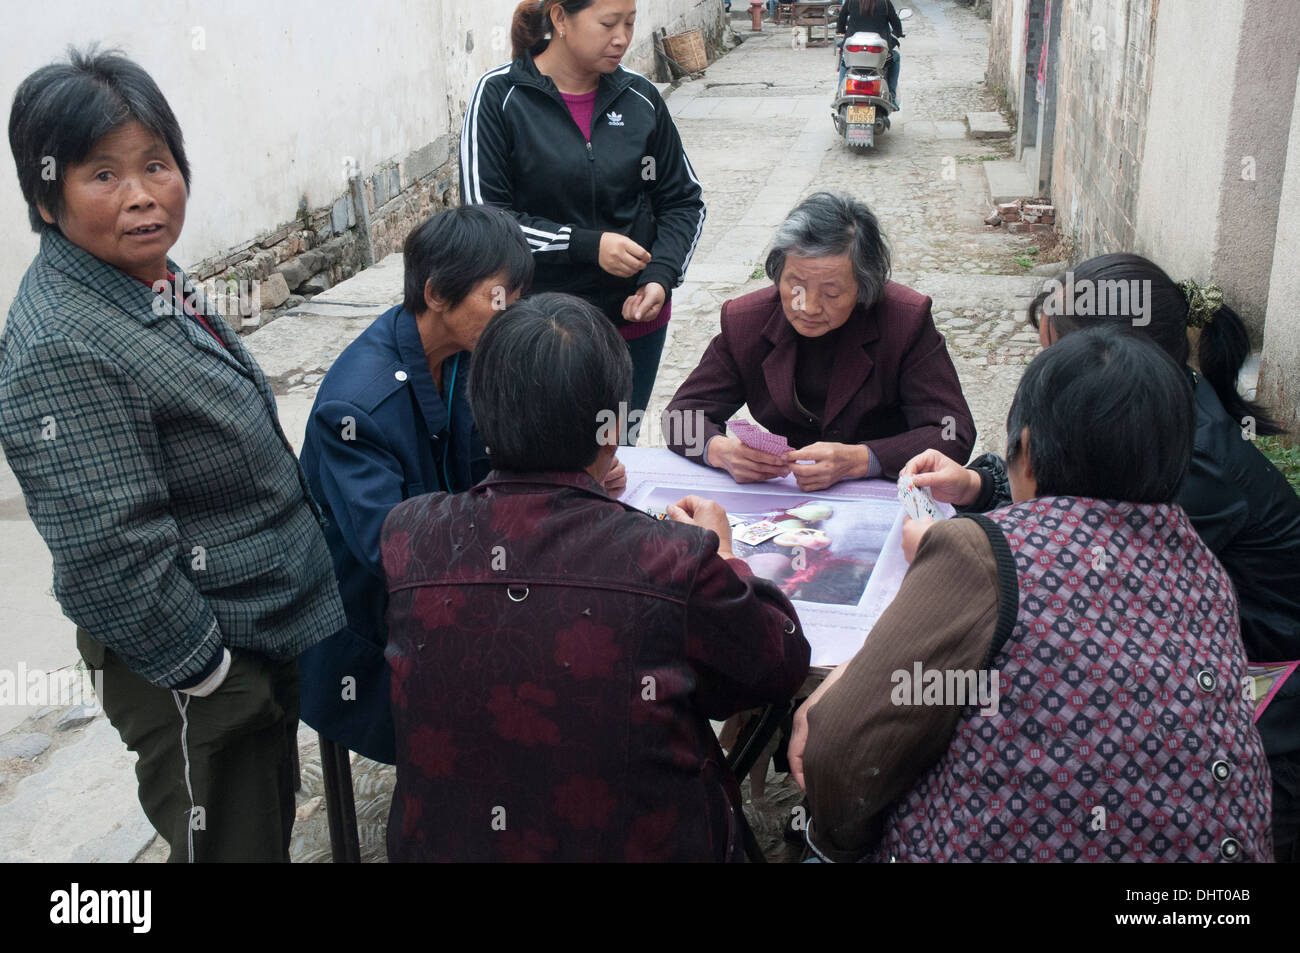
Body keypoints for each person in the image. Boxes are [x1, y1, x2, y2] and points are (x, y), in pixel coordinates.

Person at [0, 48, 346, 862]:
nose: (143, 195)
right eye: (104, 176)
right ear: (47, 200)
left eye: (156, 165)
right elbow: (107, 555)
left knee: (260, 821)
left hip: (252, 628)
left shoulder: (140, 273)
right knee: (228, 842)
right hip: (193, 668)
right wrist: (206, 672)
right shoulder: (64, 341)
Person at [792, 326, 1274, 862]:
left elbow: (839, 748)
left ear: (1023, 448)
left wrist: (840, 843)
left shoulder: (983, 552)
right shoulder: (1203, 567)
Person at [380, 292, 810, 862]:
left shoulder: (411, 535)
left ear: (483, 410)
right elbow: (776, 666)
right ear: (610, 430)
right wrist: (727, 557)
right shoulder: (670, 557)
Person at [899, 252, 1300, 861]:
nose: (1042, 371)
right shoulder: (1150, 420)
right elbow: (1076, 498)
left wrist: (952, 551)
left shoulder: (1198, 468)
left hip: (1264, 705)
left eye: (1051, 354)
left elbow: (1073, 569)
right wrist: (979, 487)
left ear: (1113, 361)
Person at [297, 206, 553, 765]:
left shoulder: (462, 356)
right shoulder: (356, 406)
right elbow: (386, 547)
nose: (511, 313)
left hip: (452, 579)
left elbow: (489, 462)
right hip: (372, 629)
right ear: (437, 293)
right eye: (498, 296)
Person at [460, 0, 707, 438]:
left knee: (613, 454)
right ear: (560, 18)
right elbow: (487, 222)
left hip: (634, 325)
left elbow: (683, 201)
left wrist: (661, 275)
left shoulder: (640, 98)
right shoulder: (501, 97)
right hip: (537, 328)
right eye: (608, 23)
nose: (622, 38)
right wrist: (587, 245)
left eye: (630, 23)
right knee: (538, 458)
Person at [662, 191, 974, 491]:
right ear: (778, 273)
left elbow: (952, 431)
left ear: (865, 286)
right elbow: (679, 417)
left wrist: (862, 459)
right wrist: (722, 452)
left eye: (831, 292)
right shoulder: (746, 320)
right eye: (795, 286)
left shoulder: (904, 320)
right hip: (788, 493)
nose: (808, 307)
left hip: (886, 491)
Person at [836, 0, 905, 104]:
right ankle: (892, 95)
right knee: (895, 58)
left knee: (844, 60)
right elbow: (896, 25)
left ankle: (839, 94)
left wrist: (842, 31)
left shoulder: (851, 2)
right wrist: (894, 37)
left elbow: (841, 20)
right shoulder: (885, 3)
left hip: (855, 49)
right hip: (878, 51)